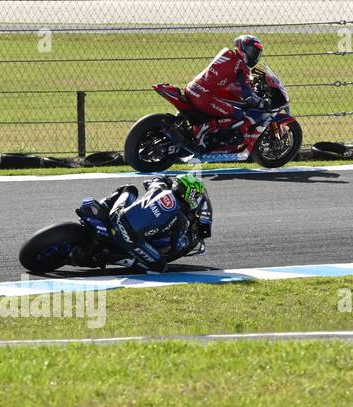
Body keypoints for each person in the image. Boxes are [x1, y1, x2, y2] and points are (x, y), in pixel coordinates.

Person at [77, 173, 212, 272]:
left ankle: (101, 209)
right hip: (131, 239)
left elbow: (150, 181)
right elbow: (177, 245)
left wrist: (162, 179)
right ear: (190, 195)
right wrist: (189, 238)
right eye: (197, 196)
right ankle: (122, 259)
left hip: (117, 215)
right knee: (161, 267)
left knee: (129, 189)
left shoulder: (160, 188)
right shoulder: (182, 220)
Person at [185, 35, 266, 150]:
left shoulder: (226, 53)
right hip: (204, 97)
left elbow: (223, 76)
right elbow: (248, 97)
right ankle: (202, 129)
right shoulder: (241, 66)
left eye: (256, 53)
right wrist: (261, 103)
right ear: (241, 47)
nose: (253, 55)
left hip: (192, 88)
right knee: (239, 115)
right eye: (251, 51)